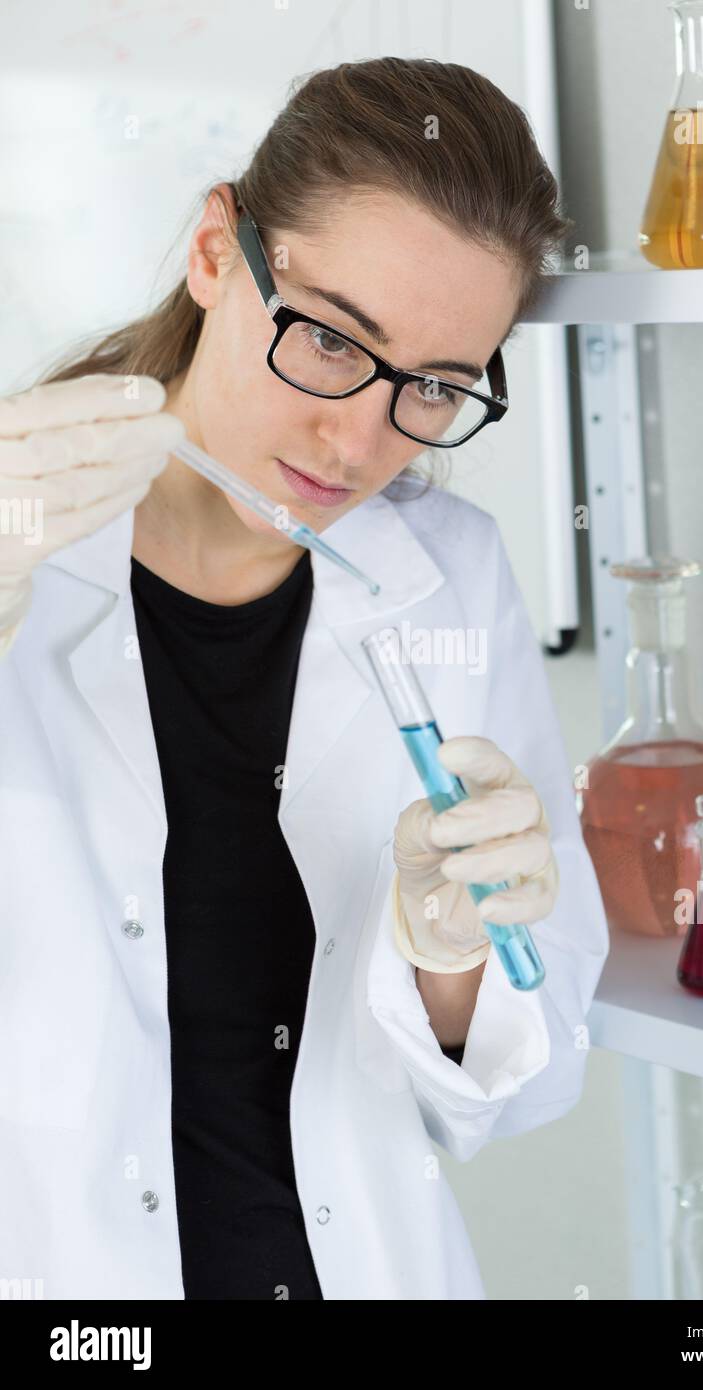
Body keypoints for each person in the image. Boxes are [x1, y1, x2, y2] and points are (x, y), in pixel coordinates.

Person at [0, 56, 609, 1300]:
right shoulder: (21, 532)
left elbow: (531, 1076)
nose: (359, 438)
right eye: (332, 338)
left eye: (434, 386)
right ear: (219, 253)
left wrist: (452, 954)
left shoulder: (449, 578)